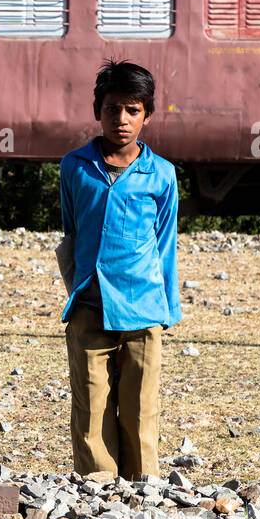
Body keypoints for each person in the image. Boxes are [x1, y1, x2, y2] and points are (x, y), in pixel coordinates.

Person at [55, 60, 181, 479]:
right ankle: (98, 498)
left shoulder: (161, 175)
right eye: (112, 109)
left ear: (147, 115)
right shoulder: (75, 167)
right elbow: (72, 233)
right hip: (90, 308)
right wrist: (78, 290)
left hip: (144, 313)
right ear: (98, 111)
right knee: (91, 413)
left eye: (132, 110)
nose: (121, 120)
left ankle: (142, 496)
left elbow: (165, 246)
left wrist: (168, 311)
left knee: (141, 412)